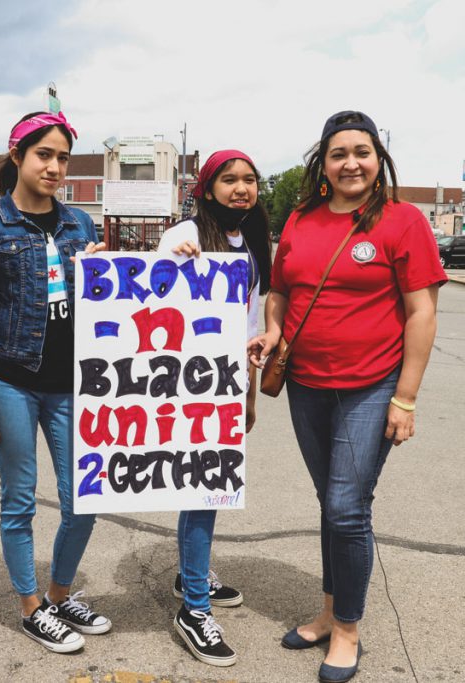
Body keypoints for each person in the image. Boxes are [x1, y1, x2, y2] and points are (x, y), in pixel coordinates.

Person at [248, 111, 446, 683]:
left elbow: (422, 311)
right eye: (339, 154)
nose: (351, 163)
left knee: (346, 508)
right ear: (324, 164)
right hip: (307, 384)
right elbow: (281, 290)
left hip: (372, 384)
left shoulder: (402, 221)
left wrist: (405, 398)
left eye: (362, 151)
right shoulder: (302, 219)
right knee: (330, 503)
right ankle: (329, 610)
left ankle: (348, 629)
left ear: (378, 159)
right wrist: (273, 331)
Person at [0, 112, 110, 654]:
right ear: (18, 157)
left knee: (85, 499)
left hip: (71, 385)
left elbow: (106, 307)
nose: (54, 167)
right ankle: (30, 607)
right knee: (19, 499)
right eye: (43, 154)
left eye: (63, 158)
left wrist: (107, 274)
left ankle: (60, 592)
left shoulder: (80, 226)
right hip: (10, 380)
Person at [157, 149, 271, 667]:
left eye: (249, 180)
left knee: (206, 487)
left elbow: (248, 318)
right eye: (229, 180)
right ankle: (194, 609)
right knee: (204, 487)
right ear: (207, 188)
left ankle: (191, 574)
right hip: (183, 384)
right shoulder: (183, 234)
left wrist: (247, 388)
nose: (241, 188)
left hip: (227, 380)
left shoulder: (250, 242)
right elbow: (147, 299)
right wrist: (170, 258)